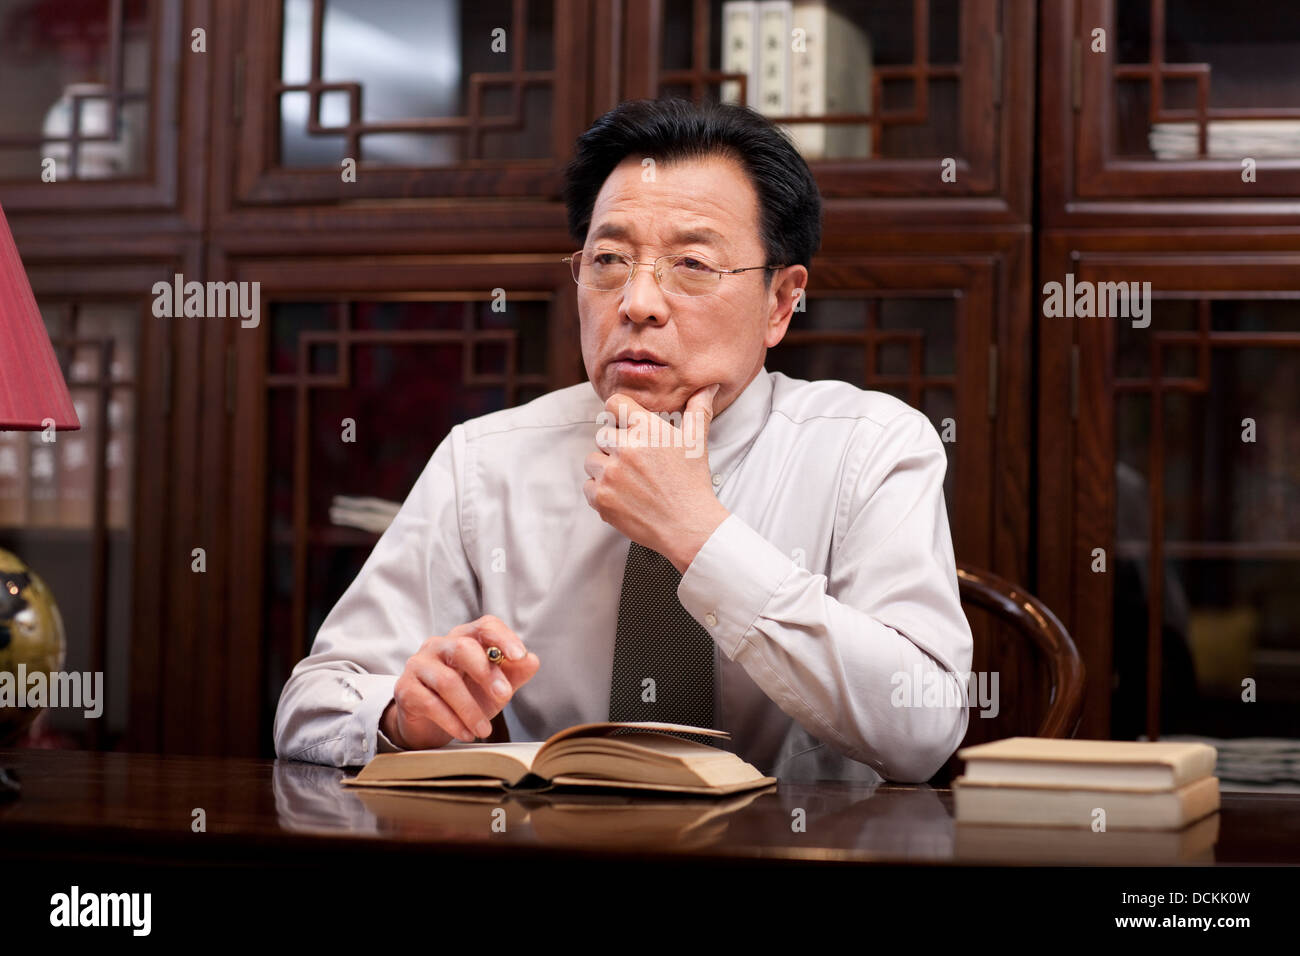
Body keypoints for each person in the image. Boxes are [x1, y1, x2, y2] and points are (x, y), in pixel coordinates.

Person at [273, 98, 973, 783]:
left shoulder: (871, 448)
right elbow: (311, 708)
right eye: (609, 259)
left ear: (781, 302)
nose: (637, 303)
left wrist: (697, 533)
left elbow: (923, 728)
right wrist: (403, 716)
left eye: (692, 265)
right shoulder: (484, 460)